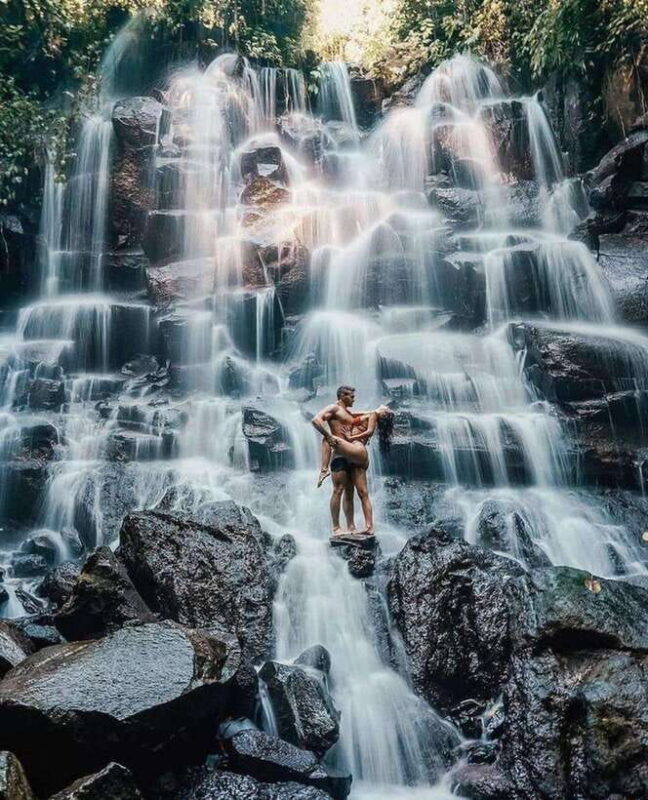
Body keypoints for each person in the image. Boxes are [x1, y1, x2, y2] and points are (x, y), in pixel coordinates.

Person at [311, 386, 394, 537]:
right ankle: (343, 528)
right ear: (342, 396)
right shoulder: (334, 408)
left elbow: (371, 418)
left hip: (351, 450)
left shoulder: (349, 413)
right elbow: (316, 420)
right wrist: (328, 435)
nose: (354, 399)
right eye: (351, 396)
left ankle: (356, 526)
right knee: (342, 491)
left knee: (361, 492)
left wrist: (332, 438)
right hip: (340, 454)